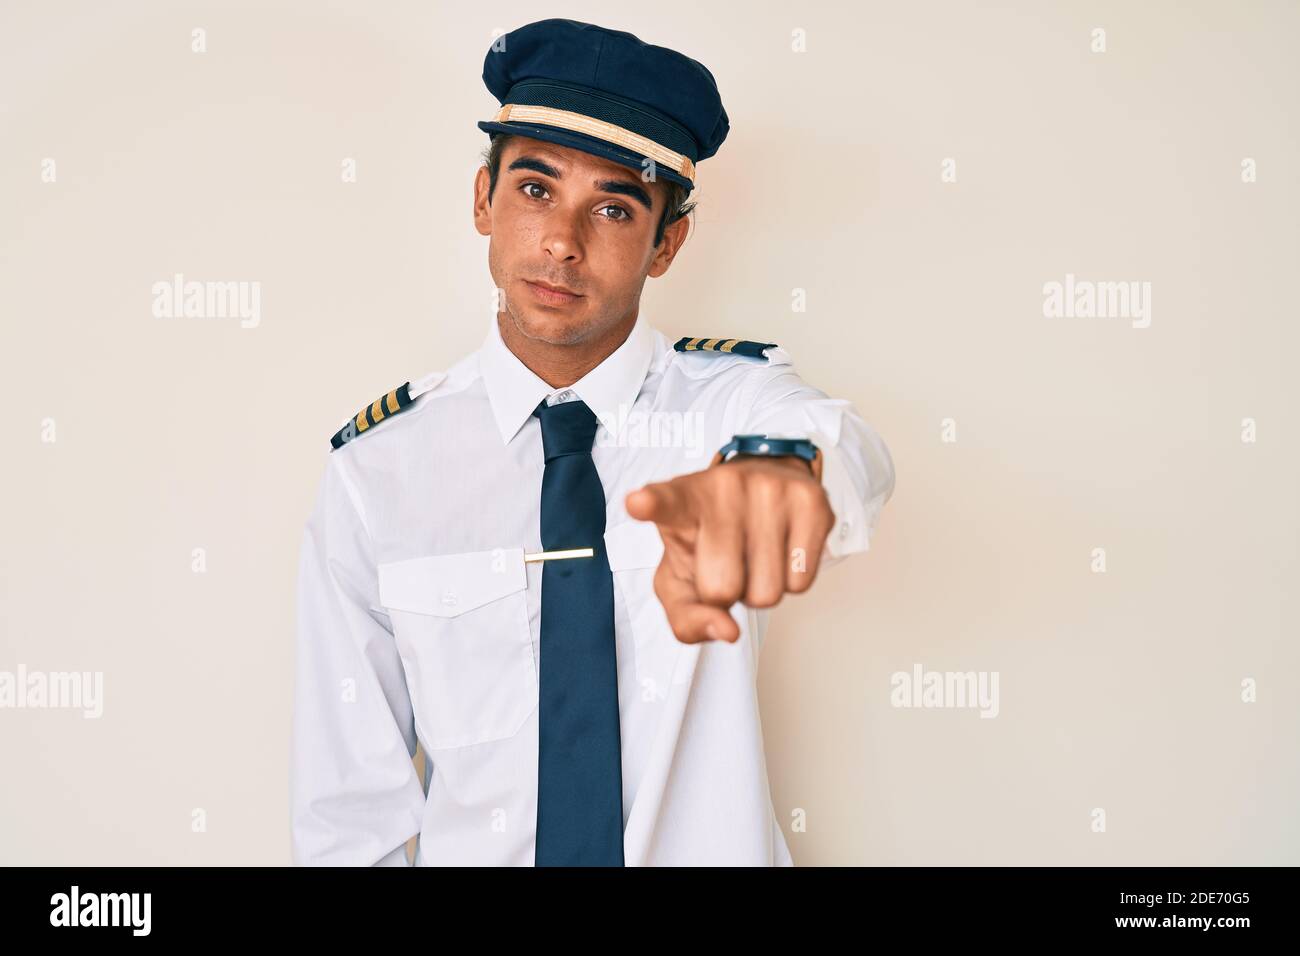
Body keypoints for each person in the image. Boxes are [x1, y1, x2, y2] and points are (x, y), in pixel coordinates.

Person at [291, 17, 894, 866]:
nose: (562, 242)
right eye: (535, 189)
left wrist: (786, 480)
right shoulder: (375, 472)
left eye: (614, 207)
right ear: (481, 200)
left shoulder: (731, 410)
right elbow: (350, 817)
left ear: (667, 244)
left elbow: (844, 449)